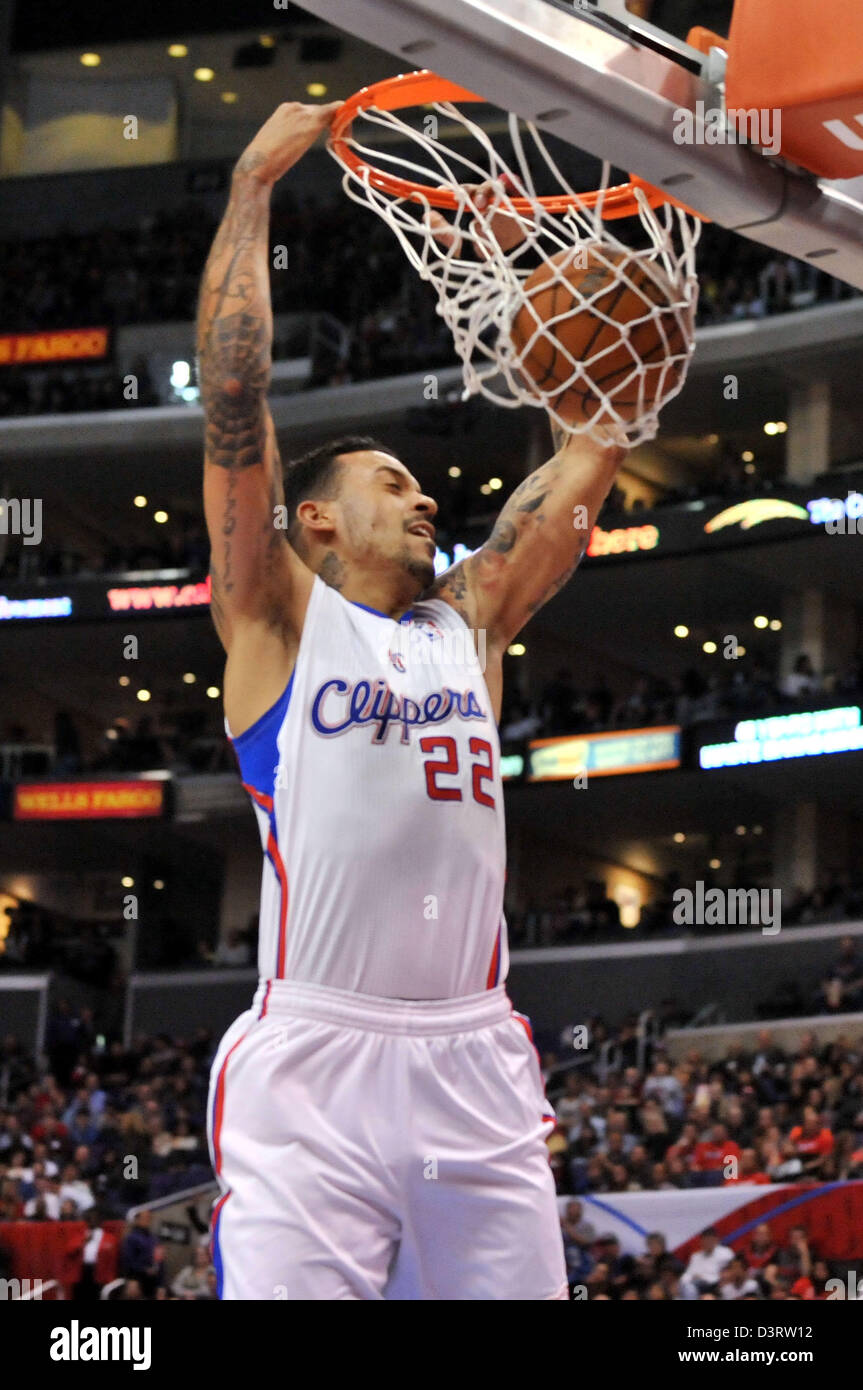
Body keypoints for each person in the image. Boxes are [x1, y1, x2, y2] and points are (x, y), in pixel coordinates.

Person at [197, 99, 634, 1301]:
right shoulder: (279, 617)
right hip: (314, 1062)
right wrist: (248, 194)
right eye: (391, 483)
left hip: (473, 1059)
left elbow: (587, 458)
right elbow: (234, 412)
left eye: (424, 485)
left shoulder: (470, 622)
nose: (423, 499)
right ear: (317, 518)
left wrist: (592, 320)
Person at [681, 1228, 735, 1298]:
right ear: (701, 1242)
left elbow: (728, 1274)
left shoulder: (725, 1253)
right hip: (696, 1285)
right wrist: (691, 1278)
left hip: (715, 1285)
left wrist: (703, 1278)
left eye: (710, 1240)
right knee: (685, 1286)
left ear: (716, 1240)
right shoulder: (695, 1257)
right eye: (705, 1240)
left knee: (690, 1288)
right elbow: (686, 1275)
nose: (707, 1243)